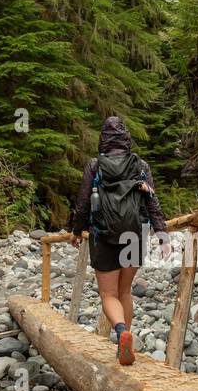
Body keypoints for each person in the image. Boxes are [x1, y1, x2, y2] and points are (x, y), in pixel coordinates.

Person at [69, 116, 169, 365]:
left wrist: (75, 231)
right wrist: (162, 235)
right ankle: (125, 345)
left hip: (103, 235)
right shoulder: (141, 166)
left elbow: (83, 204)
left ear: (103, 139)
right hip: (135, 233)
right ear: (127, 139)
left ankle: (122, 331)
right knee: (125, 291)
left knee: (108, 293)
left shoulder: (95, 166)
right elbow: (152, 201)